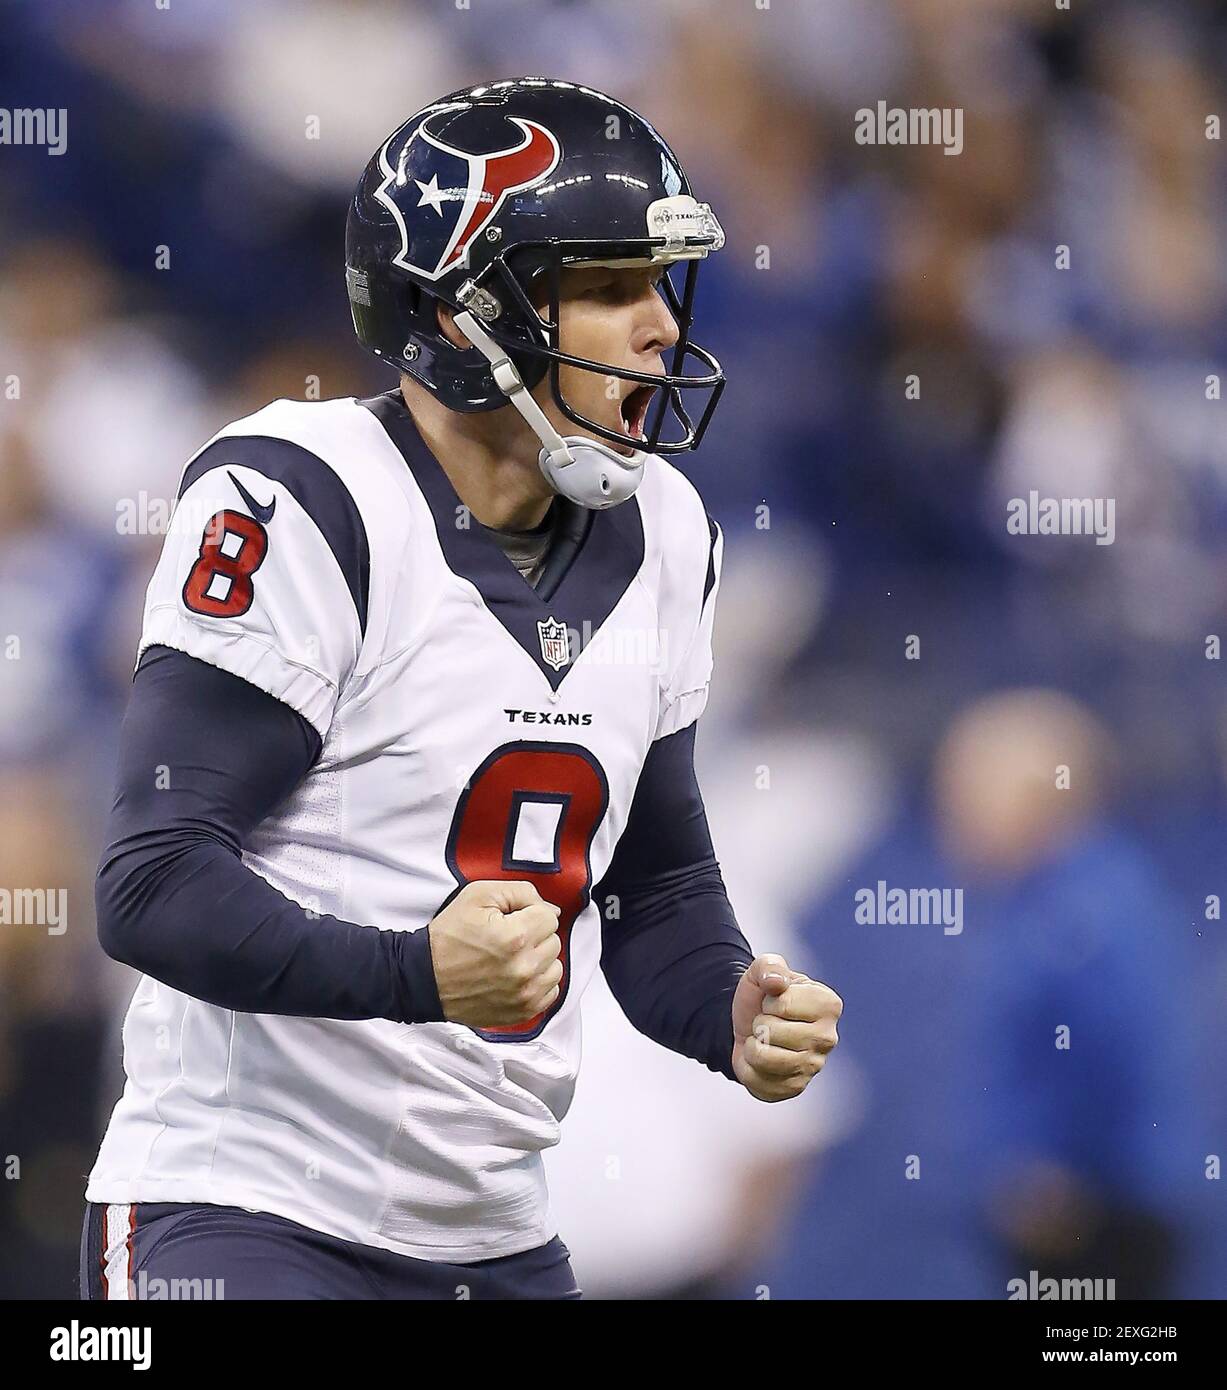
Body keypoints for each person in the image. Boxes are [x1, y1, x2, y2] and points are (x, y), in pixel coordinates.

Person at [80, 78, 843, 1301]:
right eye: (605, 285)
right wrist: (417, 973)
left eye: (656, 282)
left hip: (492, 1238)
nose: (658, 324)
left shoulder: (668, 530)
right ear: (460, 311)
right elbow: (152, 882)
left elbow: (655, 888)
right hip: (243, 1208)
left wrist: (730, 1011)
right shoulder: (305, 497)